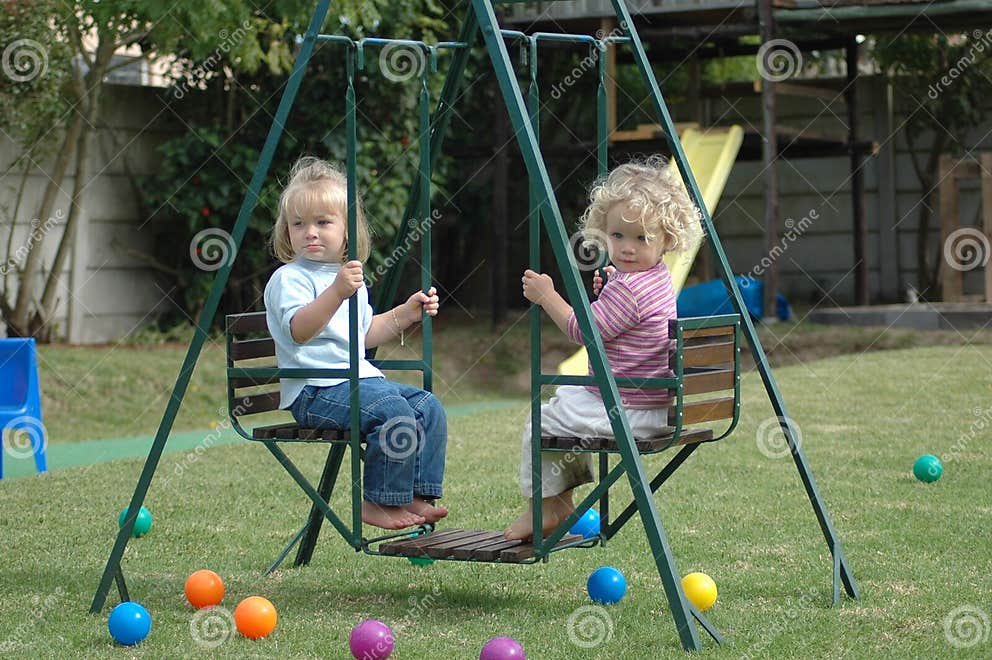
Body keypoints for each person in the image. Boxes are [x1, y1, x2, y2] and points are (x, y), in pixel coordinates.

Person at [505, 157, 703, 540]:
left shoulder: (629, 290)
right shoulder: (656, 277)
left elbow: (584, 332)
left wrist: (547, 296)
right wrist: (613, 287)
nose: (627, 249)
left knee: (542, 421)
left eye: (642, 238)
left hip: (627, 409)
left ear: (667, 239)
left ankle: (546, 509)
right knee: (566, 403)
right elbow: (627, 316)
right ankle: (558, 503)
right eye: (618, 237)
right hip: (651, 406)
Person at [264, 156, 447, 531]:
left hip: (356, 381)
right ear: (287, 232)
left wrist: (405, 314)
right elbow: (300, 330)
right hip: (314, 389)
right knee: (391, 410)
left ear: (347, 231)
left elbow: (362, 336)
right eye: (298, 224)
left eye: (322, 222)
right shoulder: (290, 279)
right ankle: (376, 502)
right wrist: (336, 291)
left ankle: (413, 492)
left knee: (429, 407)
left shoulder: (347, 277)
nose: (310, 232)